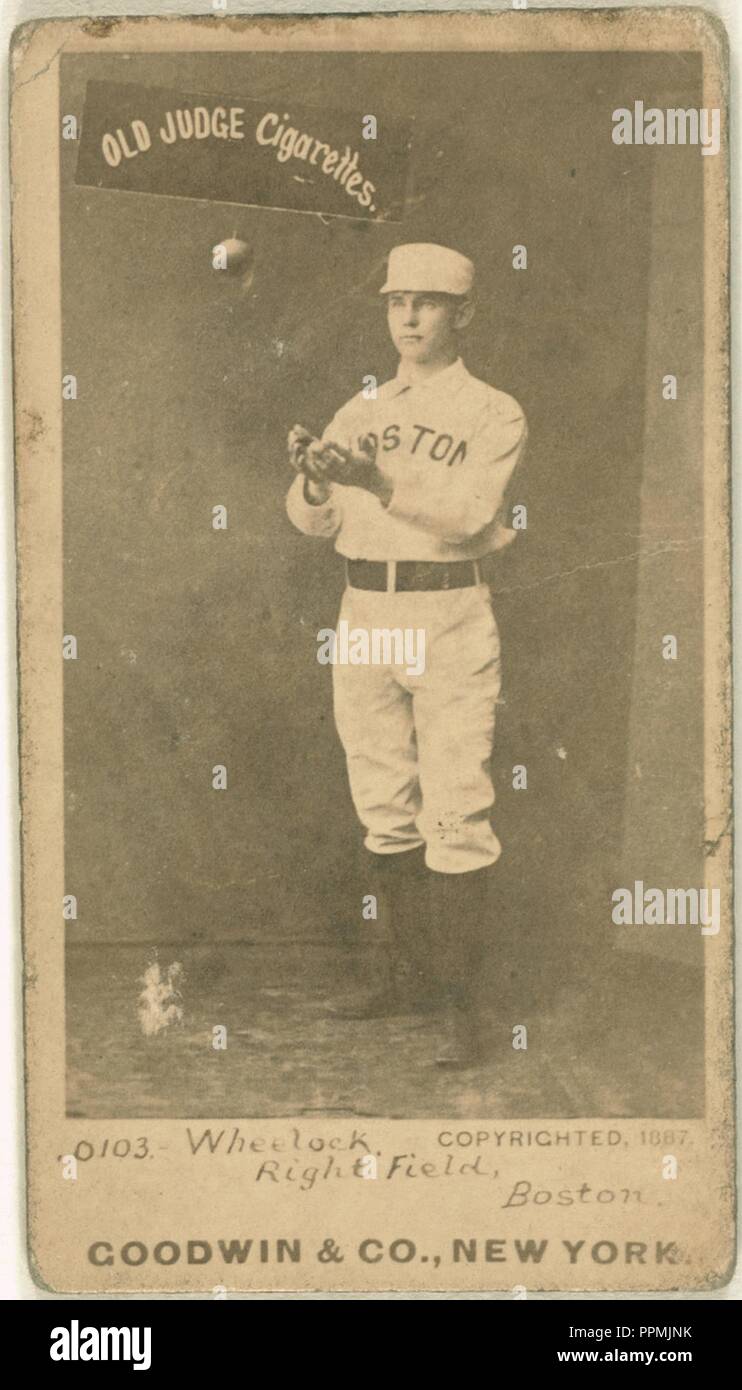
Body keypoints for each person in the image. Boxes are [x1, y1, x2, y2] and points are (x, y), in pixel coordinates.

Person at [286, 242, 527, 1066]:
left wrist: (379, 483)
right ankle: (409, 980)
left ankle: (464, 1012)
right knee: (383, 801)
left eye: (428, 302)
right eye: (398, 302)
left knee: (456, 806)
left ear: (465, 313)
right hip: (366, 608)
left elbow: (467, 514)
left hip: (447, 610)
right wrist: (318, 480)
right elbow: (313, 524)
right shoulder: (359, 408)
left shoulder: (494, 411)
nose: (411, 317)